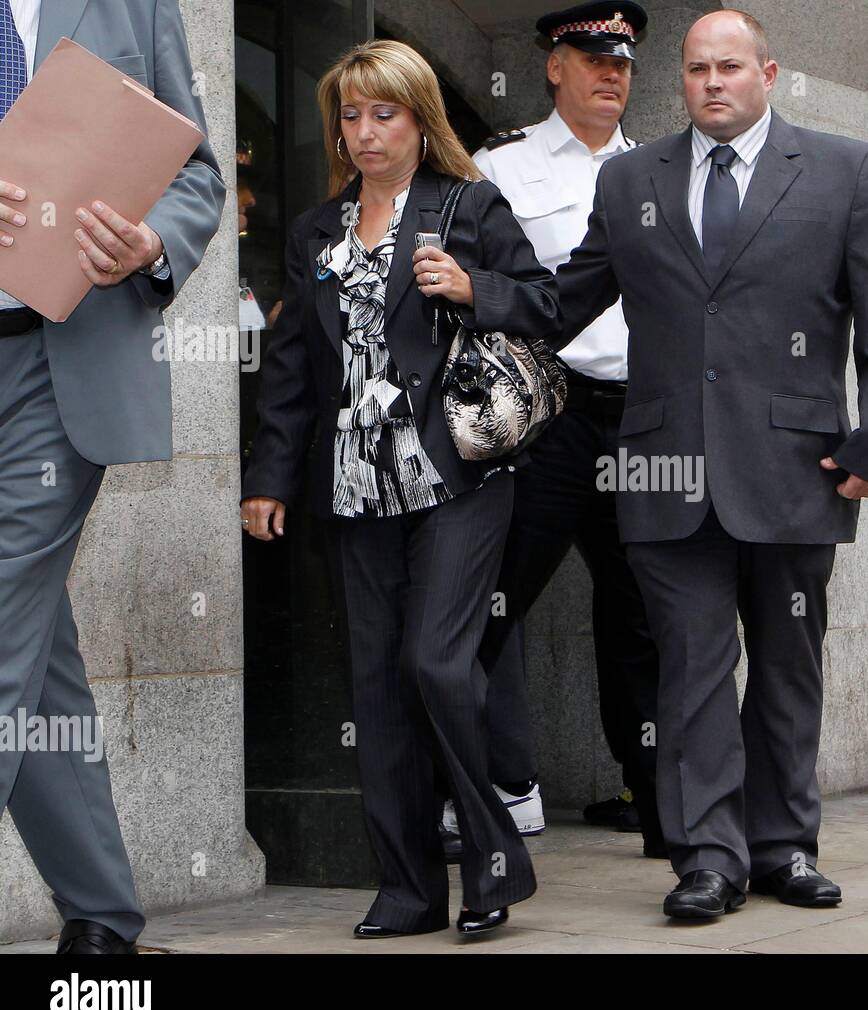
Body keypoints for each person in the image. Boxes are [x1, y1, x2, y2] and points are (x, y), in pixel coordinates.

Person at [551, 10, 868, 919]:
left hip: (801, 468)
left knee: (789, 666)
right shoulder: (631, 177)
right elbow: (567, 296)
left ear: (769, 73)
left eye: (729, 67)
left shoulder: (845, 169)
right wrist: (472, 294)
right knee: (690, 669)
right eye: (694, 69)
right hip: (663, 471)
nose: (711, 82)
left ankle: (784, 846)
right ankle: (707, 859)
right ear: (679, 80)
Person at [240, 39, 560, 937]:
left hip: (458, 474)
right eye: (351, 114)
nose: (366, 131)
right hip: (353, 488)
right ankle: (410, 888)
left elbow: (549, 303)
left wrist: (475, 285)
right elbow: (295, 371)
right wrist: (269, 476)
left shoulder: (469, 208)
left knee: (436, 662)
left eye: (385, 113)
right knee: (377, 686)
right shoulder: (315, 231)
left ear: (421, 120)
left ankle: (494, 856)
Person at [0, 0, 224, 955]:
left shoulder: (136, 2)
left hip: (63, 366)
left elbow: (198, 173)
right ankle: (101, 914)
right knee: (33, 654)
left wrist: (152, 242)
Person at [466, 0, 665, 859]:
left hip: (646, 421)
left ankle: (662, 803)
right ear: (554, 66)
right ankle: (466, 797)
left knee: (648, 617)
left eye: (623, 61)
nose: (612, 74)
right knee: (489, 606)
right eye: (593, 58)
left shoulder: (661, 170)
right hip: (548, 415)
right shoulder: (499, 166)